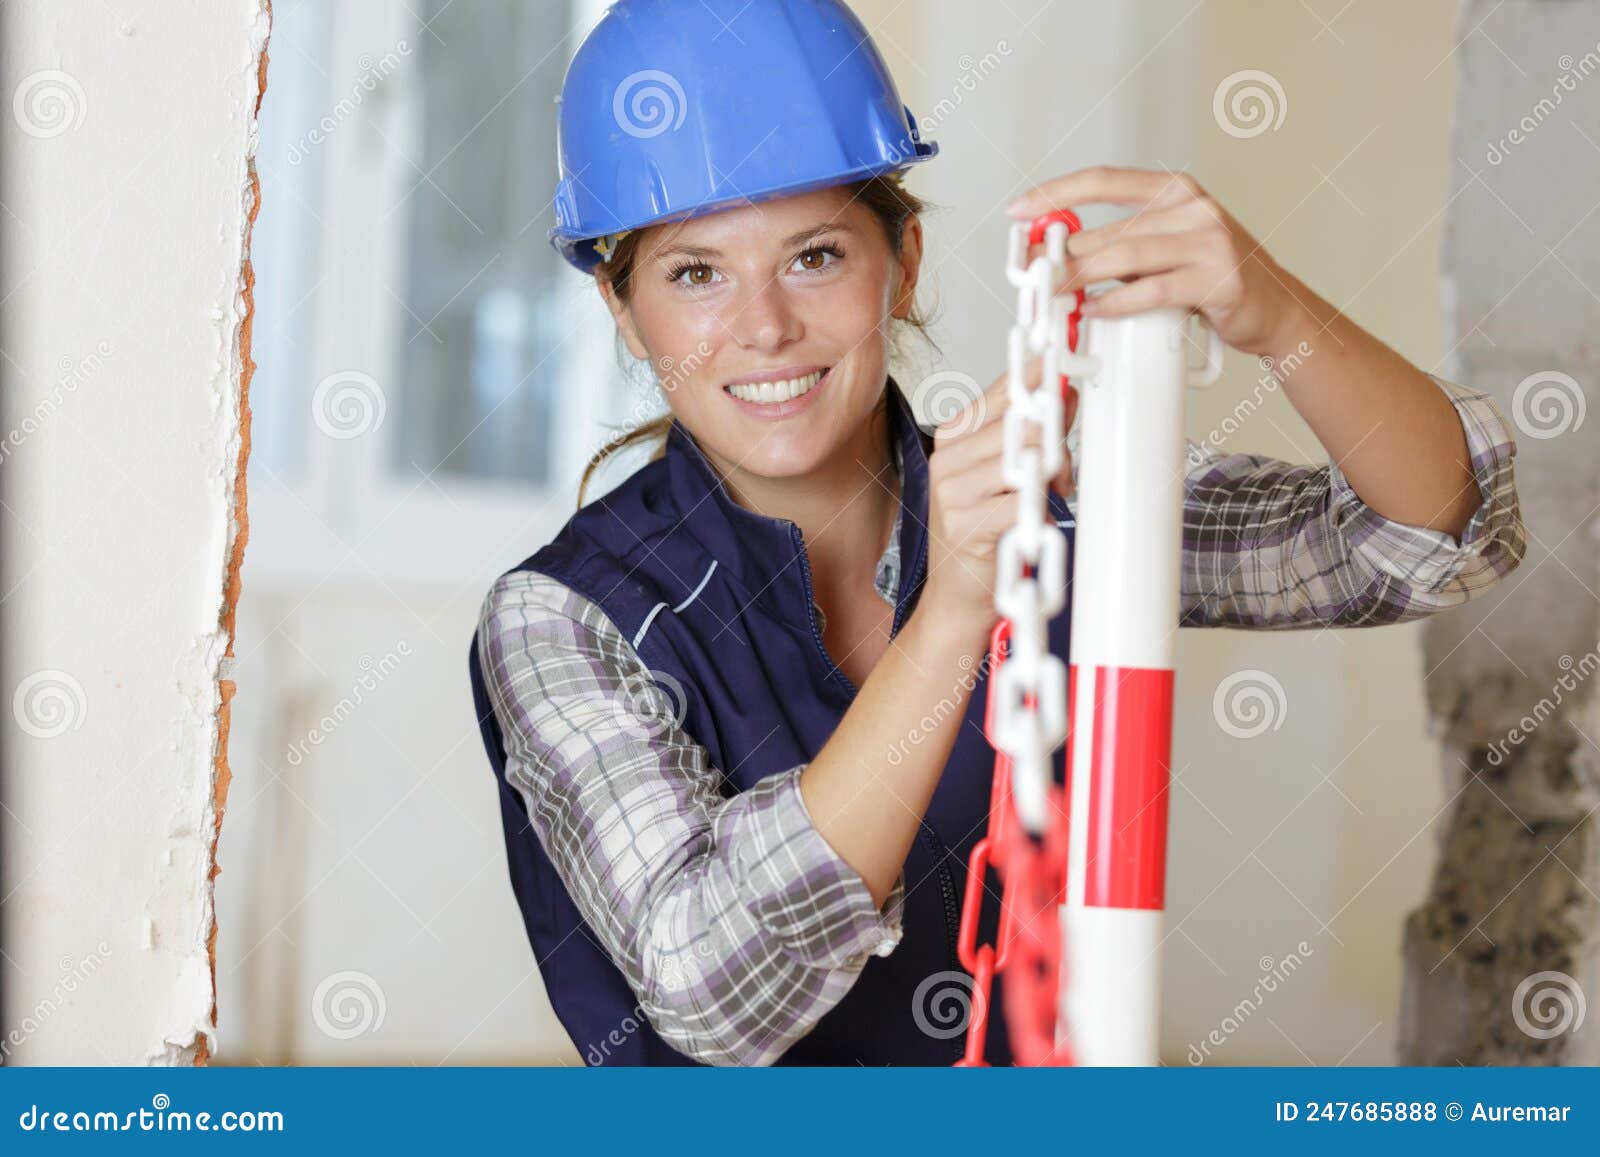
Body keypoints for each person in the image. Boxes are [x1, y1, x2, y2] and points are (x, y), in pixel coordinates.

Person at [468, 0, 1525, 1067]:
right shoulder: (565, 617)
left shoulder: (1051, 494)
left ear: (905, 261)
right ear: (623, 310)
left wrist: (1275, 315)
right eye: (696, 271)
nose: (764, 326)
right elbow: (711, 995)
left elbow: (1432, 537)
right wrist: (955, 609)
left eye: (816, 256)